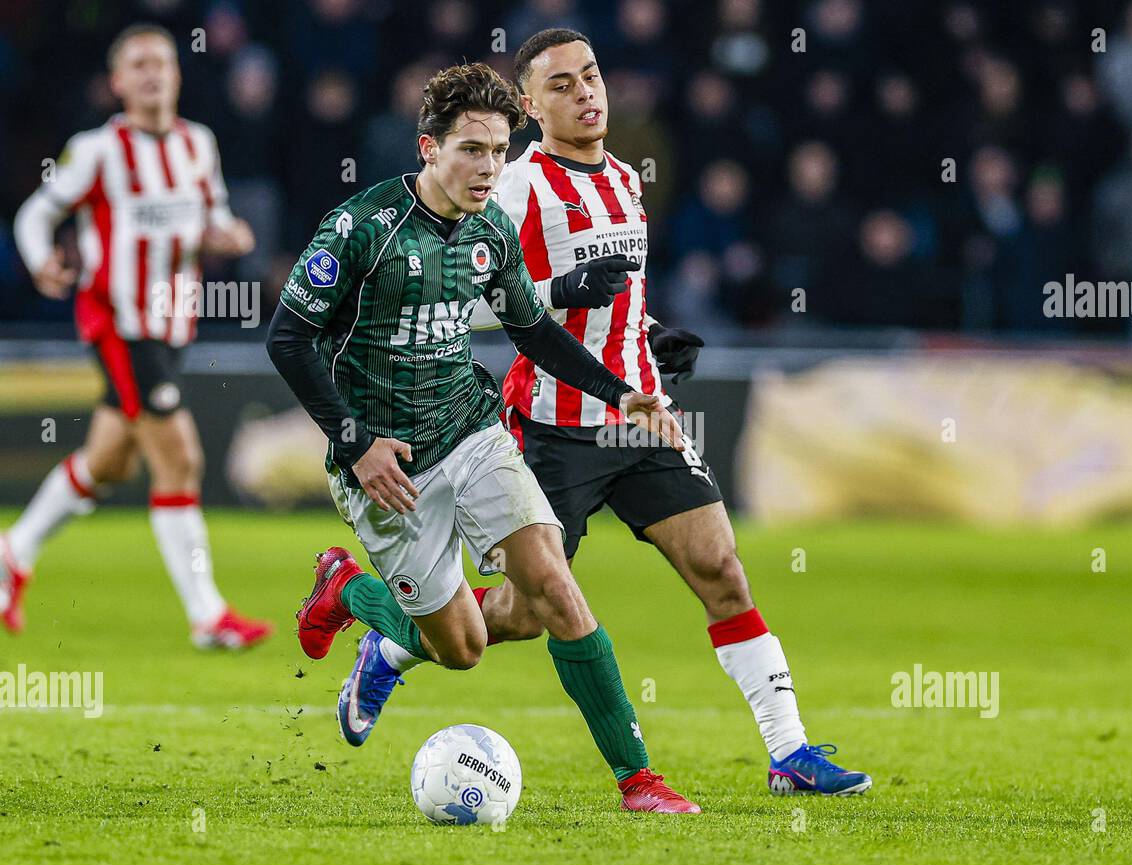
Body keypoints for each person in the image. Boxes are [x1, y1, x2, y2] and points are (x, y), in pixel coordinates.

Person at [266, 62, 699, 814]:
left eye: (499, 150)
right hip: (384, 462)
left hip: (472, 431)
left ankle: (640, 780)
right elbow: (287, 339)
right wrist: (356, 442)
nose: (488, 167)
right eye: (471, 149)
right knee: (459, 649)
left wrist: (621, 391)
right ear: (429, 148)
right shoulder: (361, 227)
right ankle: (348, 589)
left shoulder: (492, 230)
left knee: (555, 590)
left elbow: (531, 328)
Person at [470, 29, 872, 796]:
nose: (586, 92)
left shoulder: (625, 177)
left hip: (640, 418)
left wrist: (651, 336)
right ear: (528, 106)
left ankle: (789, 753)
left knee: (723, 570)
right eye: (561, 85)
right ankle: (391, 636)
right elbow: (470, 309)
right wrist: (560, 294)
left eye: (591, 75)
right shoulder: (516, 188)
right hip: (553, 428)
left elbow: (618, 302)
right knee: (519, 616)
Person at [3, 24, 270, 649]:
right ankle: (208, 616)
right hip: (119, 323)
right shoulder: (96, 150)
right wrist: (42, 260)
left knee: (109, 460)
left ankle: (13, 550)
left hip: (172, 322)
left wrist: (230, 235)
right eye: (139, 64)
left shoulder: (197, 144)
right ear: (118, 82)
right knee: (180, 458)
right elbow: (36, 213)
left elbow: (215, 214)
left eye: (162, 63)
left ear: (177, 75)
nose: (153, 74)